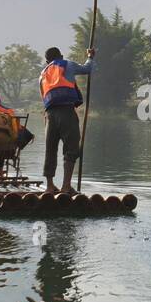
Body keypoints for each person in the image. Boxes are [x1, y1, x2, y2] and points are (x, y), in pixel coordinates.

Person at [39, 46, 95, 194]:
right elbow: (87, 69)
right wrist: (90, 56)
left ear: (47, 61)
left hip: (50, 114)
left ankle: (50, 187)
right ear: (61, 56)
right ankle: (65, 187)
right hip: (66, 112)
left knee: (50, 149)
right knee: (71, 149)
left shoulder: (42, 74)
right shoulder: (67, 64)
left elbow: (43, 98)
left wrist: (47, 117)